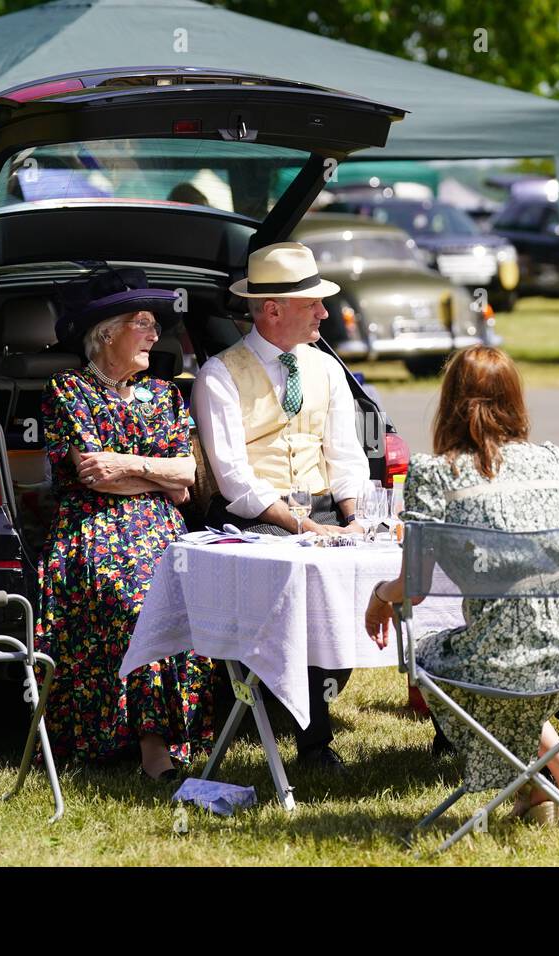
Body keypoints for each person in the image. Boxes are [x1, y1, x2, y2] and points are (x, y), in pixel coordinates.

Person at [364, 346, 559, 827]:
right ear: (515, 399)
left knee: (435, 666)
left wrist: (378, 597)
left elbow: (412, 588)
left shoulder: (435, 473)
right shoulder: (546, 459)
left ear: (450, 400)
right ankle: (546, 790)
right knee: (502, 681)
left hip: (504, 639)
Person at [193, 241, 368, 769]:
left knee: (380, 588)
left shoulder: (327, 369)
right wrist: (298, 524)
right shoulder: (219, 375)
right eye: (313, 302)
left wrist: (355, 515)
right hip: (258, 522)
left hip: (325, 512)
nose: (323, 312)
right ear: (272, 310)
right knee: (301, 594)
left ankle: (447, 729)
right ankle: (313, 742)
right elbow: (234, 480)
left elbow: (345, 454)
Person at [36, 267, 211, 780]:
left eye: (156, 324)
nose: (157, 334)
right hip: (93, 533)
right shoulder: (67, 390)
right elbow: (94, 478)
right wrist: (158, 476)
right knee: (142, 603)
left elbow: (187, 477)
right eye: (143, 322)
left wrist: (131, 466)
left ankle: (191, 730)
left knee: (196, 588)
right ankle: (153, 751)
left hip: (163, 528)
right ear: (107, 332)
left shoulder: (165, 395)